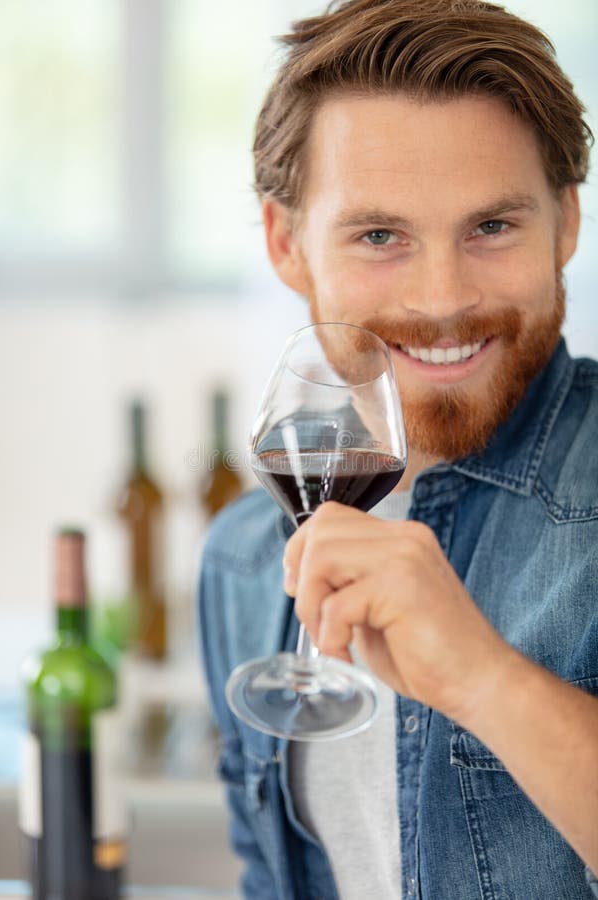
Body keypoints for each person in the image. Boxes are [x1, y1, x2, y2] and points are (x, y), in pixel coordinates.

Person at [198, 1, 598, 897]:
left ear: (566, 222)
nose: (443, 298)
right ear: (285, 243)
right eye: (380, 236)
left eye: (492, 227)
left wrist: (485, 679)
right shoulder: (241, 562)